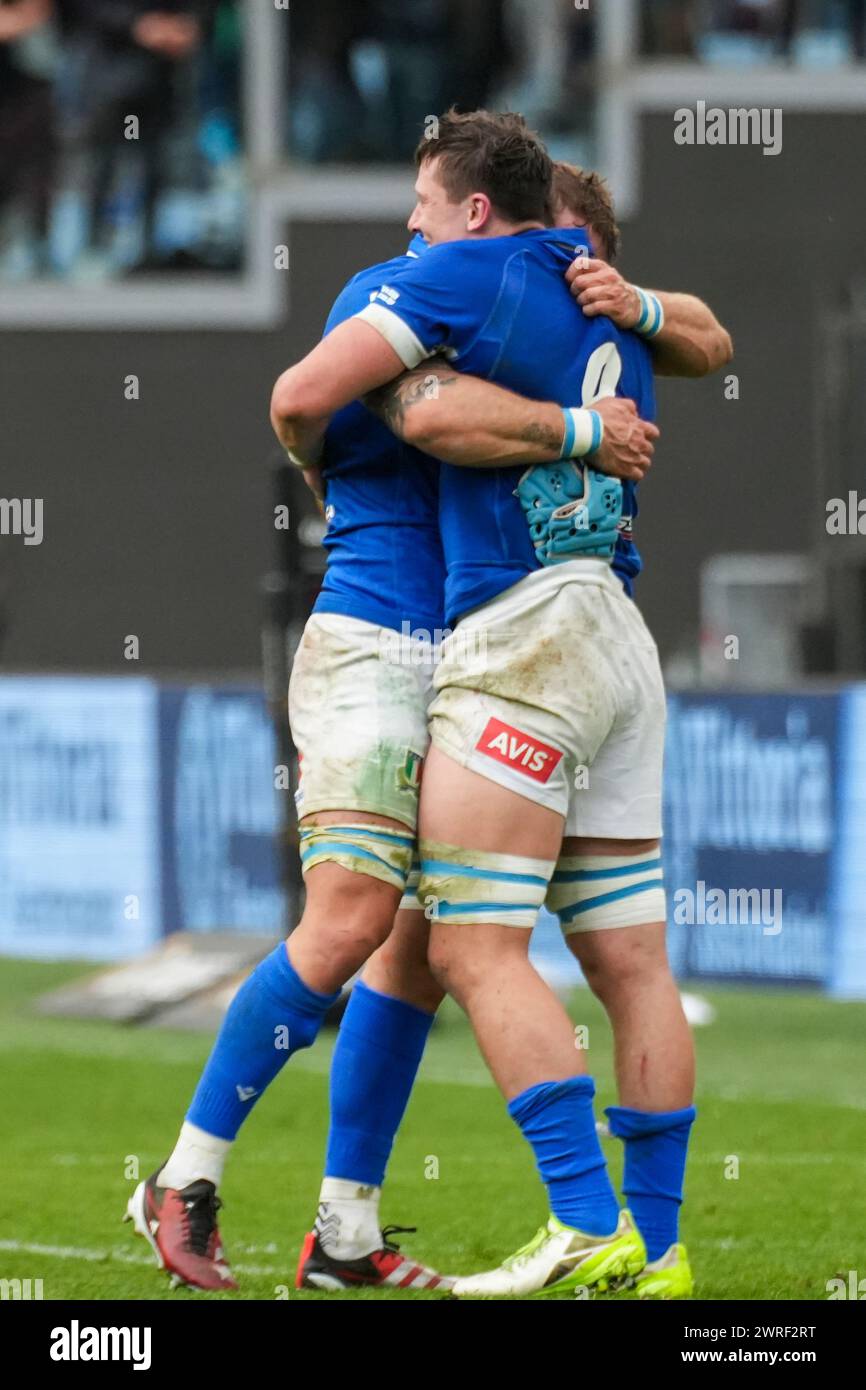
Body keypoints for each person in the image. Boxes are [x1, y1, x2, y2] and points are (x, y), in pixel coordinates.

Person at [269, 111, 720, 1299]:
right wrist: (638, 317)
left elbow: (419, 415)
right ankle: (659, 1254)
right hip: (619, 637)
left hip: (521, 639)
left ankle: (582, 1224)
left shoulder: (491, 292)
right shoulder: (619, 323)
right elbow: (715, 339)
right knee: (628, 960)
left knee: (469, 942)